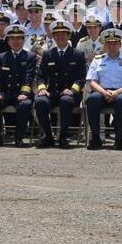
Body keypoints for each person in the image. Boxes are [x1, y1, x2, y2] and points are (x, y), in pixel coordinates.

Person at [34, 20, 84, 149]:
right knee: (40, 101)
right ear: (54, 37)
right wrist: (42, 88)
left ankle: (63, 136)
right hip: (53, 92)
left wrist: (72, 90)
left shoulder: (77, 54)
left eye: (63, 34)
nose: (60, 37)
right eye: (57, 35)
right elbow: (41, 76)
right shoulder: (48, 54)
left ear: (69, 36)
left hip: (71, 93)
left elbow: (81, 78)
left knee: (66, 101)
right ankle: (48, 136)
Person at [84, 28, 122, 150]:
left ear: (120, 44)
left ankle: (119, 139)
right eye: (108, 43)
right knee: (92, 100)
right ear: (105, 45)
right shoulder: (98, 60)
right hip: (102, 91)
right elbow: (92, 81)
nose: (111, 46)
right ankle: (96, 137)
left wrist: (116, 92)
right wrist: (104, 92)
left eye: (114, 43)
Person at [0, 24, 37, 147]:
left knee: (25, 104)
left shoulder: (30, 56)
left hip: (21, 92)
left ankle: (19, 138)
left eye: (19, 38)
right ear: (8, 41)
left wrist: (24, 93)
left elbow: (29, 77)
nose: (16, 41)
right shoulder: (2, 57)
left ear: (23, 40)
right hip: (5, 92)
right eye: (12, 39)